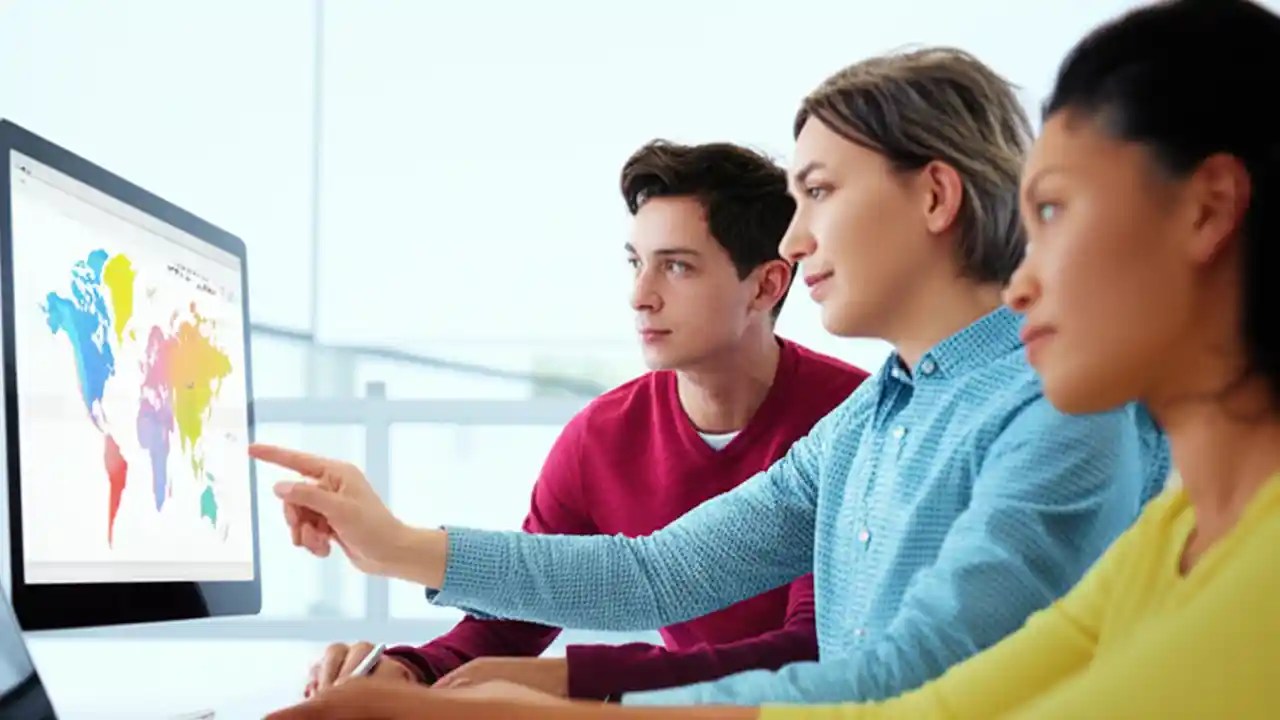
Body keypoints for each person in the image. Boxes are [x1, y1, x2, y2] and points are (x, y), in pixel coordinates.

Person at [264, 0, 1280, 717]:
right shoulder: (872, 418)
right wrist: (395, 545)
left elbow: (901, 682)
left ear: (931, 199)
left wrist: (570, 697)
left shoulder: (1058, 409)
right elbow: (657, 575)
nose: (790, 244)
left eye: (819, 193)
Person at [298, 140, 870, 701]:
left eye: (676, 267)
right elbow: (518, 619)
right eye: (636, 263)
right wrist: (411, 670)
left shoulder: (852, 420)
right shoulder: (601, 437)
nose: (640, 296)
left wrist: (576, 679)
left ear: (767, 285)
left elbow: (809, 649)